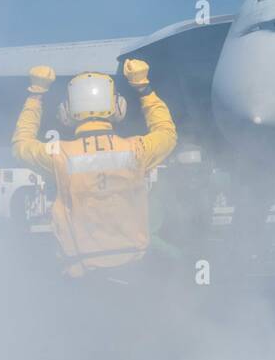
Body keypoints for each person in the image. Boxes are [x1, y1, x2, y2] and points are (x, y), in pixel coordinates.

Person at [12, 59, 177, 280]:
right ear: (118, 107)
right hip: (133, 270)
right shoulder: (136, 150)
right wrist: (144, 89)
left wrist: (36, 95)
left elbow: (20, 144)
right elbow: (166, 133)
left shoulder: (59, 155)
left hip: (81, 274)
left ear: (66, 111)